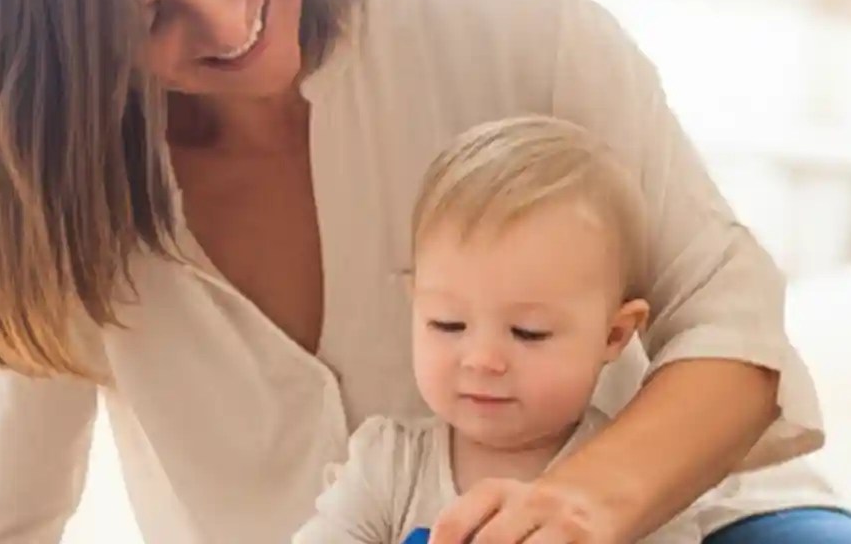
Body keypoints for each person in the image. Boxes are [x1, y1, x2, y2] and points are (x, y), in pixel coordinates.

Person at [0, 0, 851, 542]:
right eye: (148, 16)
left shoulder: (515, 19)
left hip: (692, 522)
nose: (225, 24)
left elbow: (732, 324)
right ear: (70, 49)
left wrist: (584, 501)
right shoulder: (64, 211)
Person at [293, 116, 701, 544]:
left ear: (614, 335)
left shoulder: (629, 487)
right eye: (448, 324)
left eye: (528, 332)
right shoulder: (387, 464)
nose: (482, 360)